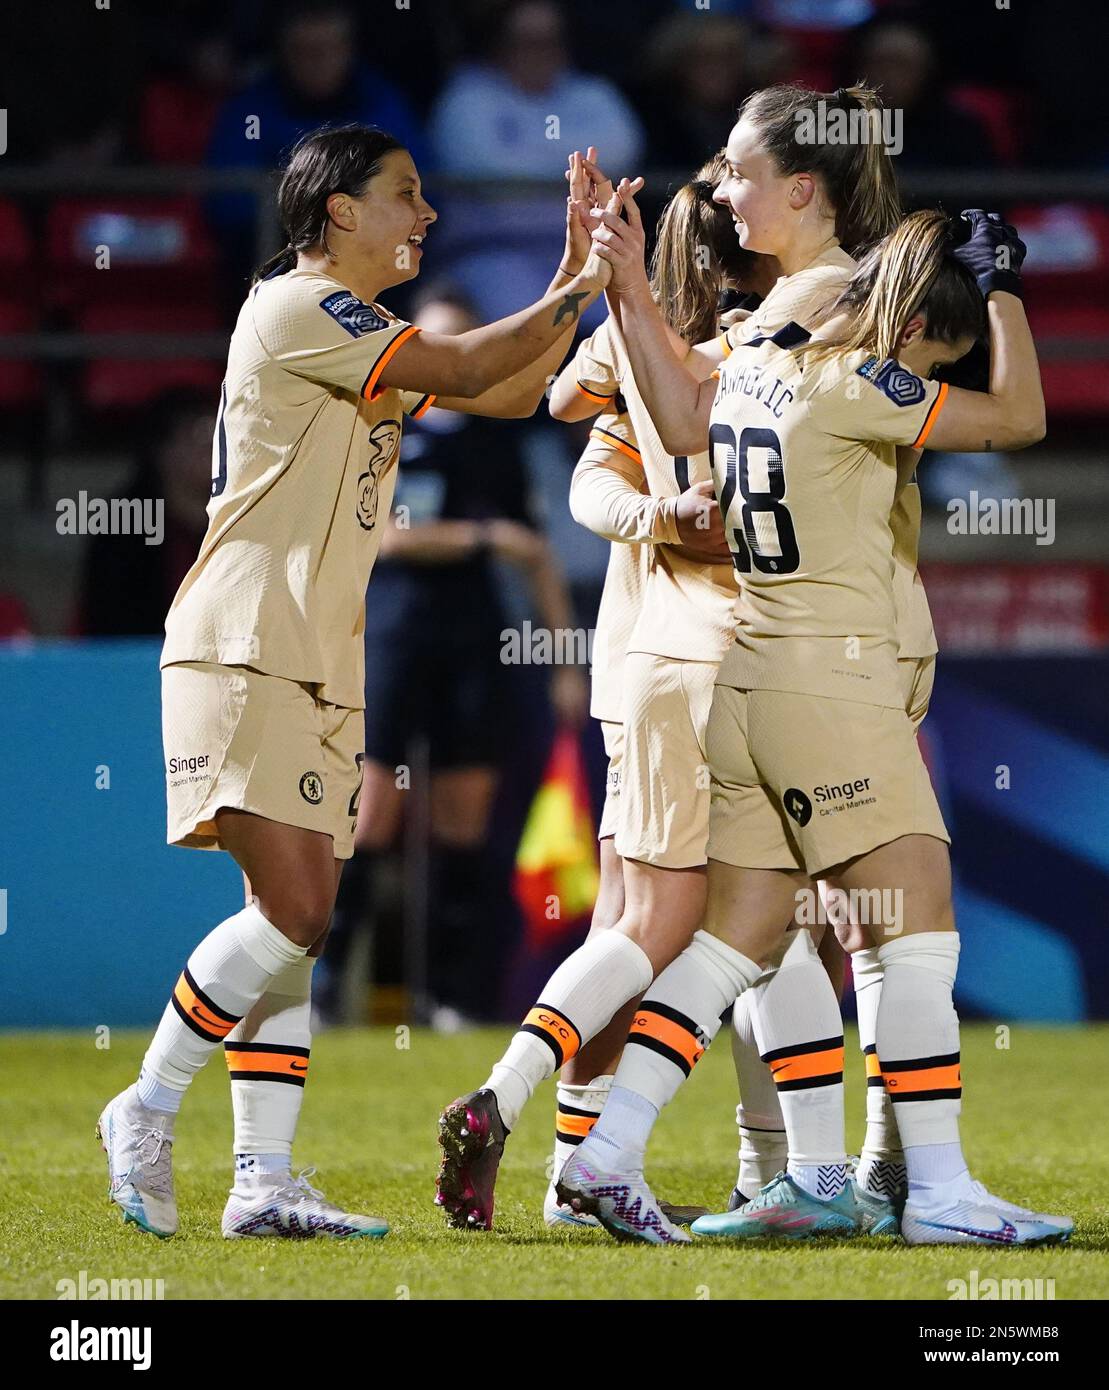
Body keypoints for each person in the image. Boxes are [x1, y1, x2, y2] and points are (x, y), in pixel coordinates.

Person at [95, 124, 619, 1241]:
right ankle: (143, 1103)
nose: (425, 216)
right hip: (246, 641)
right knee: (296, 910)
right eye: (405, 195)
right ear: (337, 211)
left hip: (318, 655)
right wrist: (574, 278)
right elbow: (475, 365)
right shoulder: (298, 308)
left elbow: (511, 391)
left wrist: (587, 287)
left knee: (288, 927)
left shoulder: (357, 331)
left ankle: (261, 1180)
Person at [433, 85, 906, 1235]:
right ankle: (611, 1142)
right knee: (727, 923)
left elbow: (561, 418)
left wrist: (602, 302)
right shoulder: (744, 361)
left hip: (632, 664)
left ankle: (652, 1167)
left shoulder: (659, 358)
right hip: (726, 658)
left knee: (673, 920)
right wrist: (667, 508)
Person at [558, 206, 1072, 1248]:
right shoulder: (865, 386)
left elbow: (642, 404)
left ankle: (603, 1153)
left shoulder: (752, 359)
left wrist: (625, 297)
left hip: (742, 681)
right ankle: (936, 1194)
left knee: (735, 938)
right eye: (945, 342)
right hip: (827, 683)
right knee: (914, 924)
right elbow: (1016, 417)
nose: (937, 362)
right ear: (923, 323)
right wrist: (1006, 288)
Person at [323, 284, 589, 1030]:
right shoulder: (374, 421)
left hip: (475, 637)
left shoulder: (496, 437)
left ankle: (449, 999)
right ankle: (328, 992)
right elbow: (371, 536)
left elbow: (533, 551)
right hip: (389, 632)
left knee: (462, 822)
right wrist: (477, 539)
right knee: (370, 814)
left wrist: (565, 660)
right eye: (434, 343)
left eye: (460, 345)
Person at [79, 390, 214, 637]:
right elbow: (108, 619)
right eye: (195, 436)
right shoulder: (121, 525)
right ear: (163, 450)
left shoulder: (244, 517)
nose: (210, 447)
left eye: (215, 435)